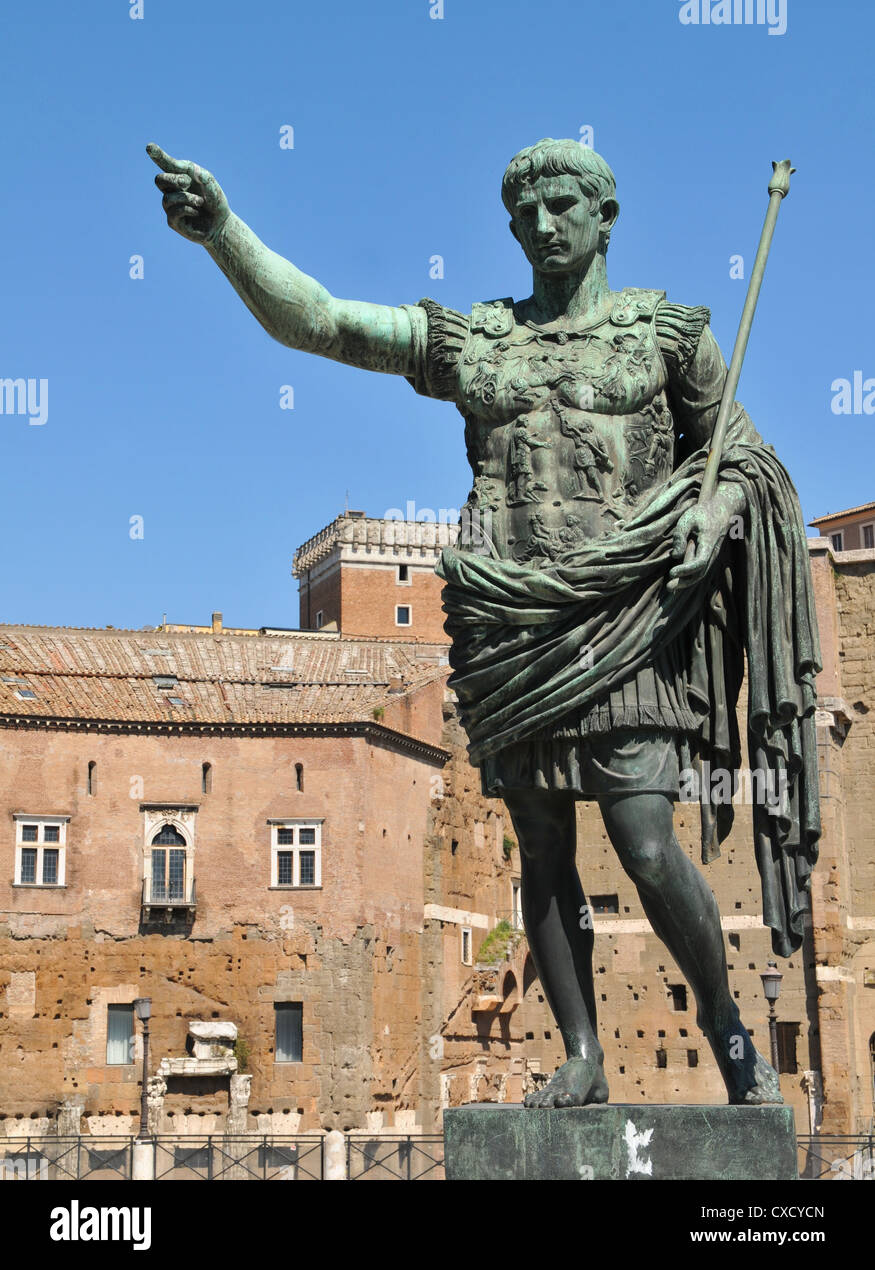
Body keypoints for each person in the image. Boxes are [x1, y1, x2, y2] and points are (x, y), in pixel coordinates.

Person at [148, 136, 820, 1107]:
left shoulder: (664, 335)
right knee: (541, 850)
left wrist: (712, 510)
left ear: (603, 218)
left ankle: (728, 1036)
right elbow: (327, 323)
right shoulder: (480, 341)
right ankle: (580, 1054)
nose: (543, 225)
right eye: (525, 212)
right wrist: (223, 236)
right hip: (513, 630)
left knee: (640, 839)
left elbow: (741, 457)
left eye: (561, 206)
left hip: (623, 618)